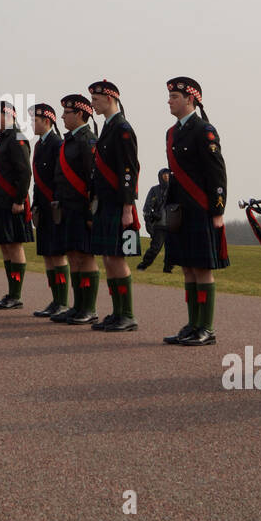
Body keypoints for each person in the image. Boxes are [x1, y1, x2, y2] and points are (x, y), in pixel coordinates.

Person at [159, 77, 229, 346]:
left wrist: (218, 209)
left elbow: (216, 172)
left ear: (190, 99)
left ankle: (206, 328)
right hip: (181, 210)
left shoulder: (204, 130)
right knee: (187, 267)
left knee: (202, 269)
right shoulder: (171, 133)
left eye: (174, 97)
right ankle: (192, 324)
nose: (169, 101)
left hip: (201, 208)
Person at [87, 79, 141, 332]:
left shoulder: (122, 128)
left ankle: (127, 314)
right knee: (108, 258)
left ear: (109, 99)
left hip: (119, 204)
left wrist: (128, 206)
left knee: (117, 258)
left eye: (95, 100)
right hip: (105, 202)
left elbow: (129, 170)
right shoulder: (108, 127)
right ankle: (116, 312)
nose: (92, 104)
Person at [50, 93, 100, 325]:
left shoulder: (87, 140)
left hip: (81, 208)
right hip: (67, 208)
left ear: (79, 114)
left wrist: (91, 213)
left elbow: (92, 179)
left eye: (66, 112)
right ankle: (77, 305)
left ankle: (89, 308)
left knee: (85, 256)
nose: (62, 117)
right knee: (73, 256)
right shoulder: (68, 141)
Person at [0, 100, 34, 309]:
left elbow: (24, 172)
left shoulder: (17, 137)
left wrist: (18, 200)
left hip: (12, 202)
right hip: (0, 202)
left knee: (14, 246)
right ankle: (11, 292)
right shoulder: (3, 139)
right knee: (5, 246)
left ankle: (16, 295)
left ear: (9, 116)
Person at [28, 103, 70, 317]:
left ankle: (62, 301)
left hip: (55, 206)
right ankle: (55, 300)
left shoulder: (57, 143)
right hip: (43, 206)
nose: (32, 124)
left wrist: (57, 203)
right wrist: (35, 204)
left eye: (35, 120)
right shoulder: (39, 145)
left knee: (57, 256)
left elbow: (60, 177)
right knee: (47, 254)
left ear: (47, 121)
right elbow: (37, 180)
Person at [137, 169, 173, 272]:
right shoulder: (154, 190)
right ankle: (143, 266)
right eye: (164, 175)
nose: (166, 176)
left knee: (172, 249)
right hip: (159, 224)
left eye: (168, 174)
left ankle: (168, 269)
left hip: (172, 224)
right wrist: (149, 220)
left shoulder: (175, 190)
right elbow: (147, 207)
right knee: (155, 248)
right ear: (160, 176)